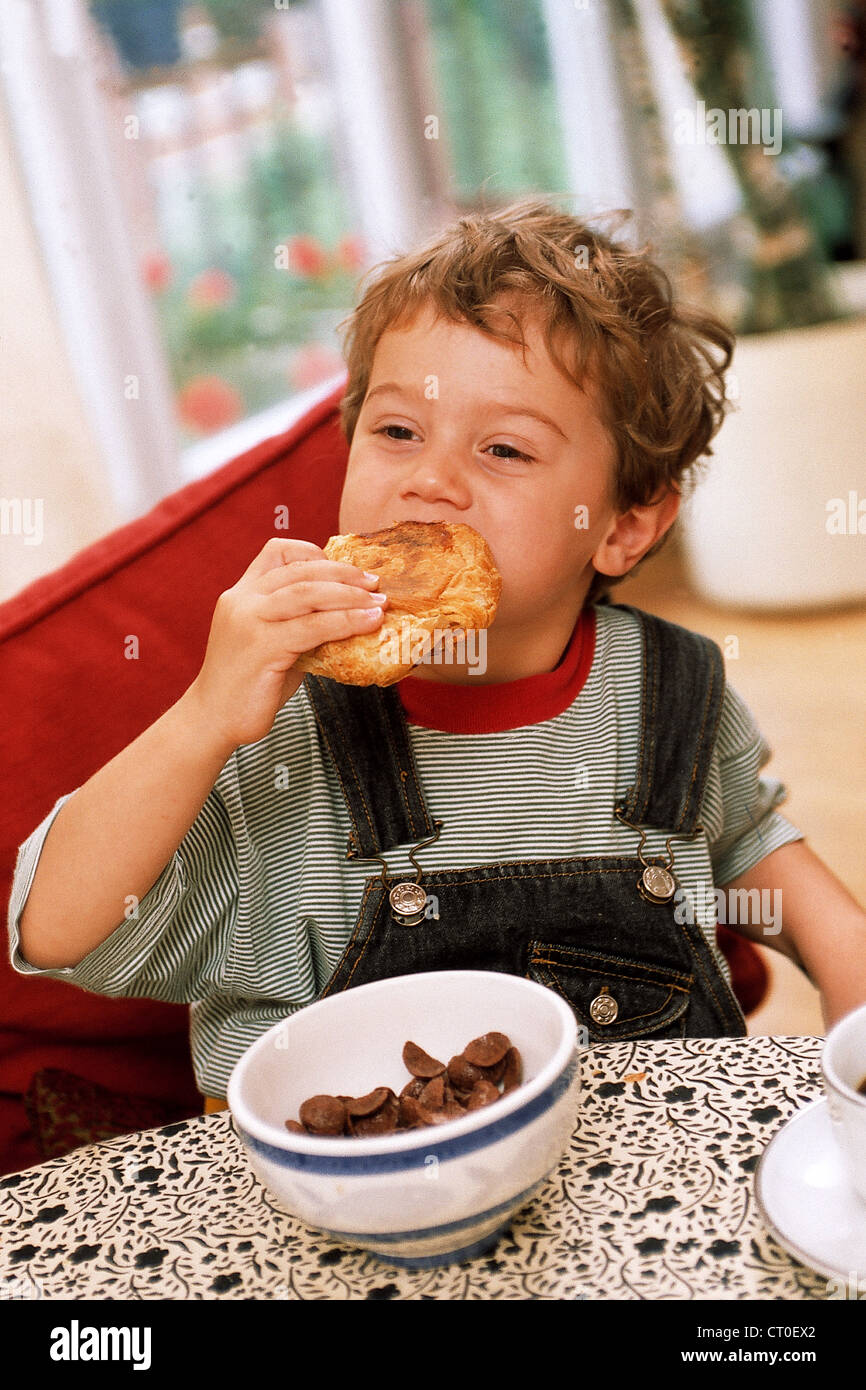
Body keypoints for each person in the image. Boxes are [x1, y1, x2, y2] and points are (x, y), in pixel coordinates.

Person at [8, 200, 866, 1108]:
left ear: (624, 524)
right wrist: (204, 717)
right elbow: (57, 928)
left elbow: (751, 854)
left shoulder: (672, 693)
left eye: (503, 448)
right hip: (344, 1219)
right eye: (396, 432)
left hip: (642, 1197)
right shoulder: (279, 736)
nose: (430, 479)